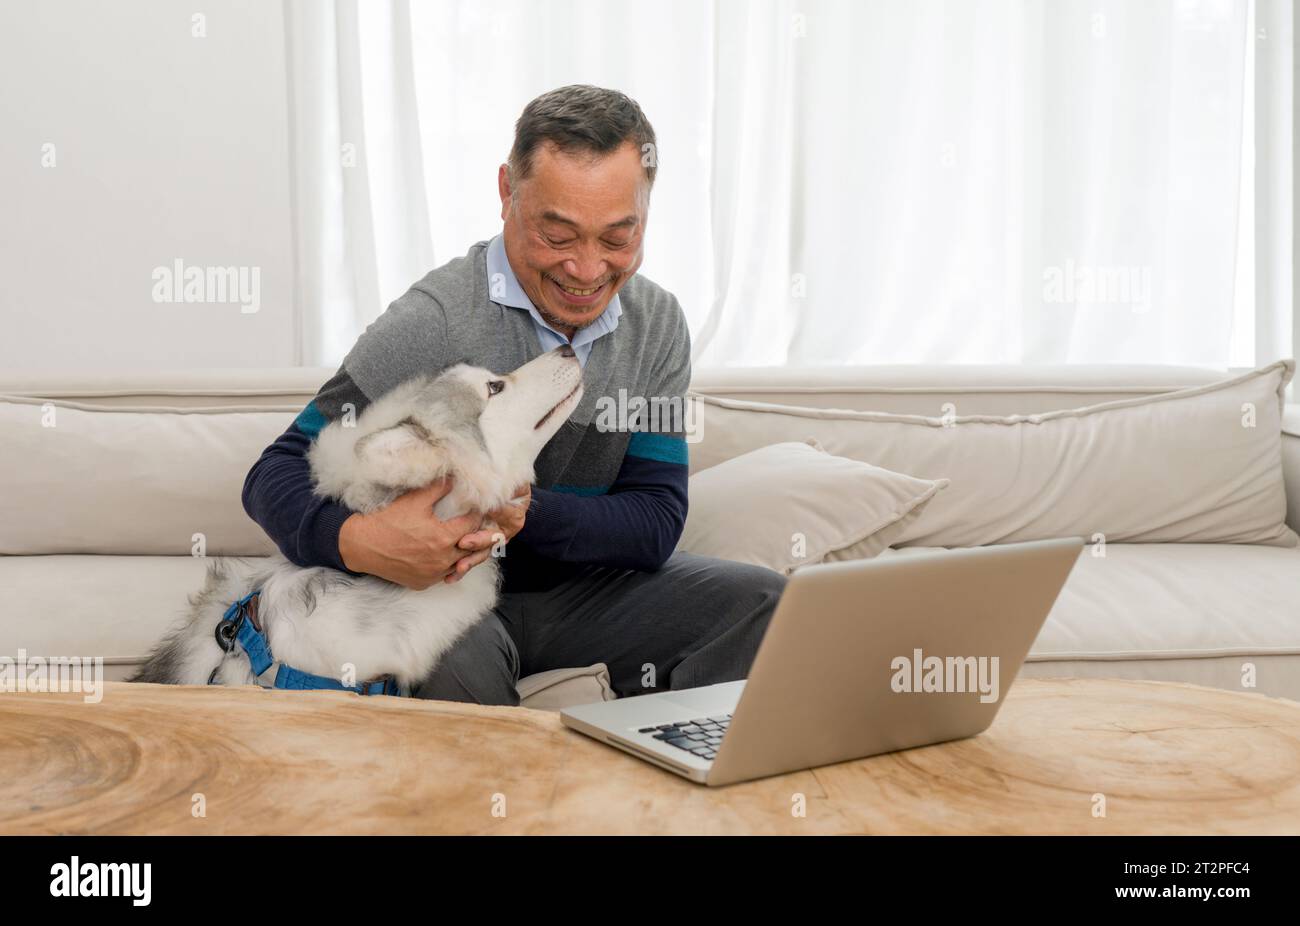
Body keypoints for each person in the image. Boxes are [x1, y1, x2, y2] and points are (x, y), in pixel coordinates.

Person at [242, 84, 785, 705]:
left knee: (764, 604)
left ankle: (677, 779)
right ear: (508, 193)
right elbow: (273, 474)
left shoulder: (657, 326)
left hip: (580, 597)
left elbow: (655, 522)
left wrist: (524, 514)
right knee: (452, 666)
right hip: (448, 601)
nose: (586, 270)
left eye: (616, 238)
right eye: (557, 236)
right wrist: (361, 542)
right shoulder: (436, 321)